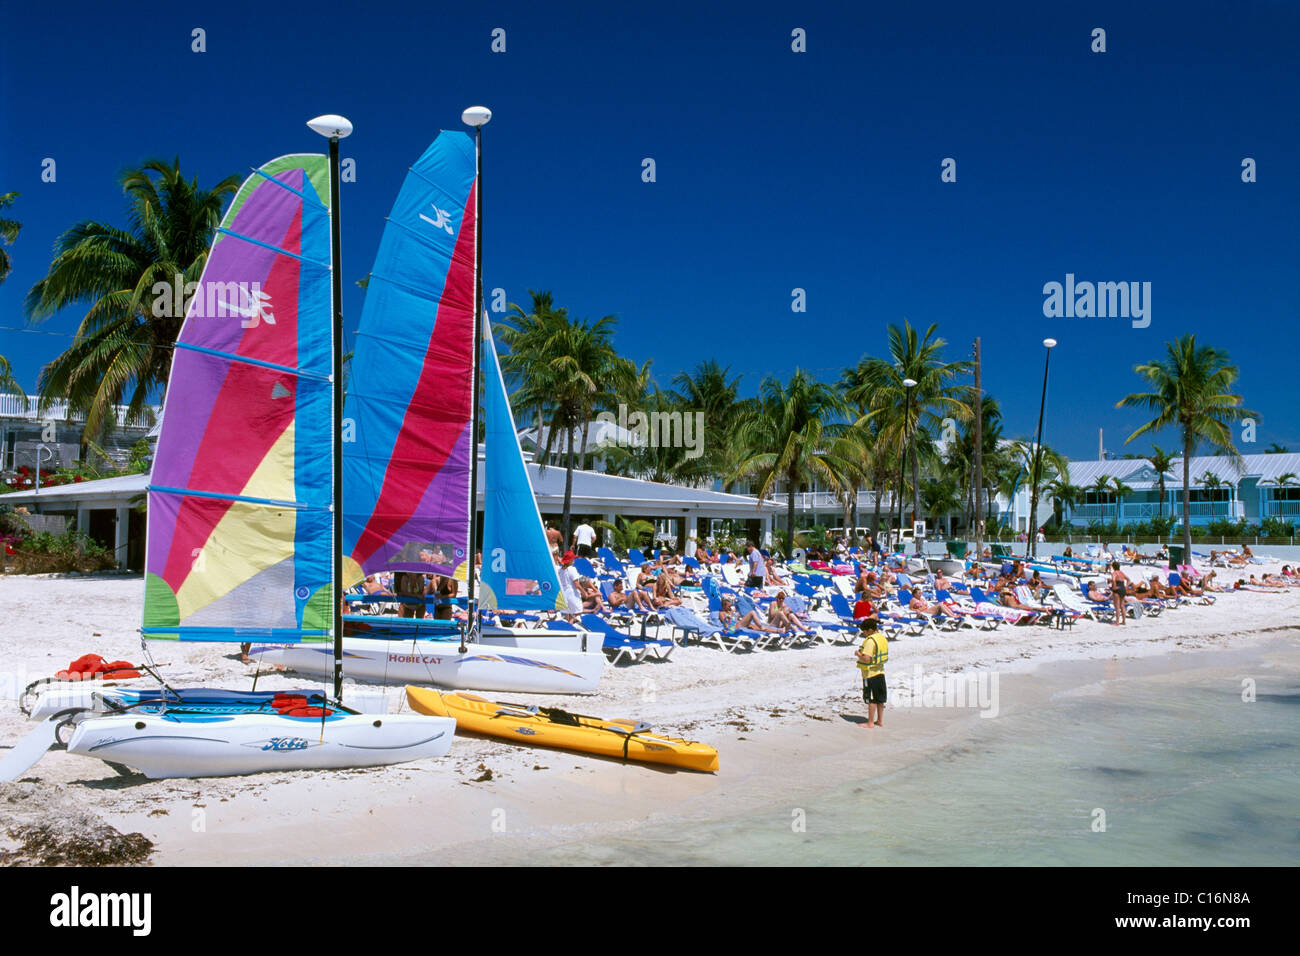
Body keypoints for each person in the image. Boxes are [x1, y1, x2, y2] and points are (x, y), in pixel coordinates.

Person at [854, 618, 888, 728]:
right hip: (880, 671)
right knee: (880, 698)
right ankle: (880, 721)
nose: (864, 634)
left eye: (864, 632)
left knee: (871, 699)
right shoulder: (881, 638)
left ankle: (870, 722)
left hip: (870, 674)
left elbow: (867, 658)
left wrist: (858, 654)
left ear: (869, 630)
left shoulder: (870, 641)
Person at [557, 551, 583, 619]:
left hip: (564, 593)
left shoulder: (560, 570)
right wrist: (584, 592)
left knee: (568, 613)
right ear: (570, 560)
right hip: (572, 593)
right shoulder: (572, 569)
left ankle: (568, 626)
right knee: (578, 613)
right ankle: (574, 626)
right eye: (573, 559)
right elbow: (576, 584)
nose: (574, 560)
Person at [1110, 561, 1129, 627]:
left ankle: (1117, 622)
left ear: (1113, 567)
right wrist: (1126, 587)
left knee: (1117, 607)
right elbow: (1128, 579)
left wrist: (1114, 587)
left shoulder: (1114, 573)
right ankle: (1123, 621)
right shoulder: (1122, 573)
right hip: (1123, 588)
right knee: (1122, 606)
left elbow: (1113, 580)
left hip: (1117, 589)